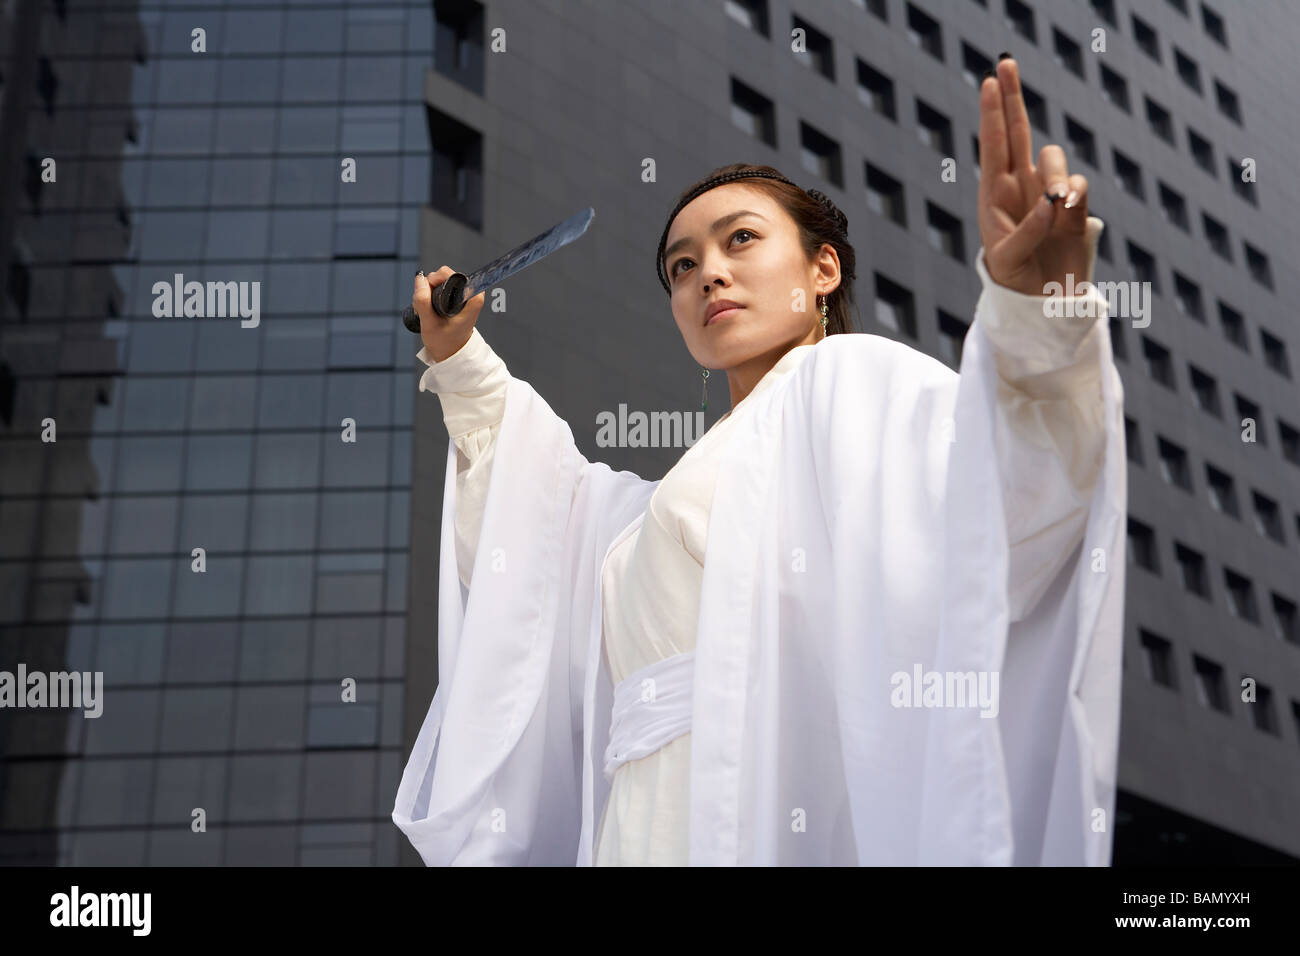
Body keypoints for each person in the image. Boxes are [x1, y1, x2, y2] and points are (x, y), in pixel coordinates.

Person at [392, 57, 1127, 866]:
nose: (708, 271)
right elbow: (543, 518)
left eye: (740, 239)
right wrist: (459, 359)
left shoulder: (850, 383)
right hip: (637, 823)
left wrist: (1036, 312)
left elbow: (1006, 504)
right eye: (681, 266)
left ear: (822, 271)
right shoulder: (649, 513)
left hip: (770, 805)